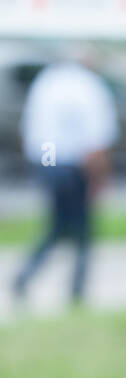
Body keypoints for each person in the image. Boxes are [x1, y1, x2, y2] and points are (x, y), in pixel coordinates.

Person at [11, 46, 118, 309]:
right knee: (82, 231)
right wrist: (100, 179)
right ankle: (76, 294)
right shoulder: (90, 87)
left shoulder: (48, 80)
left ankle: (26, 276)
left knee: (58, 225)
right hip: (74, 165)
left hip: (46, 162)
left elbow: (30, 128)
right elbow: (96, 142)